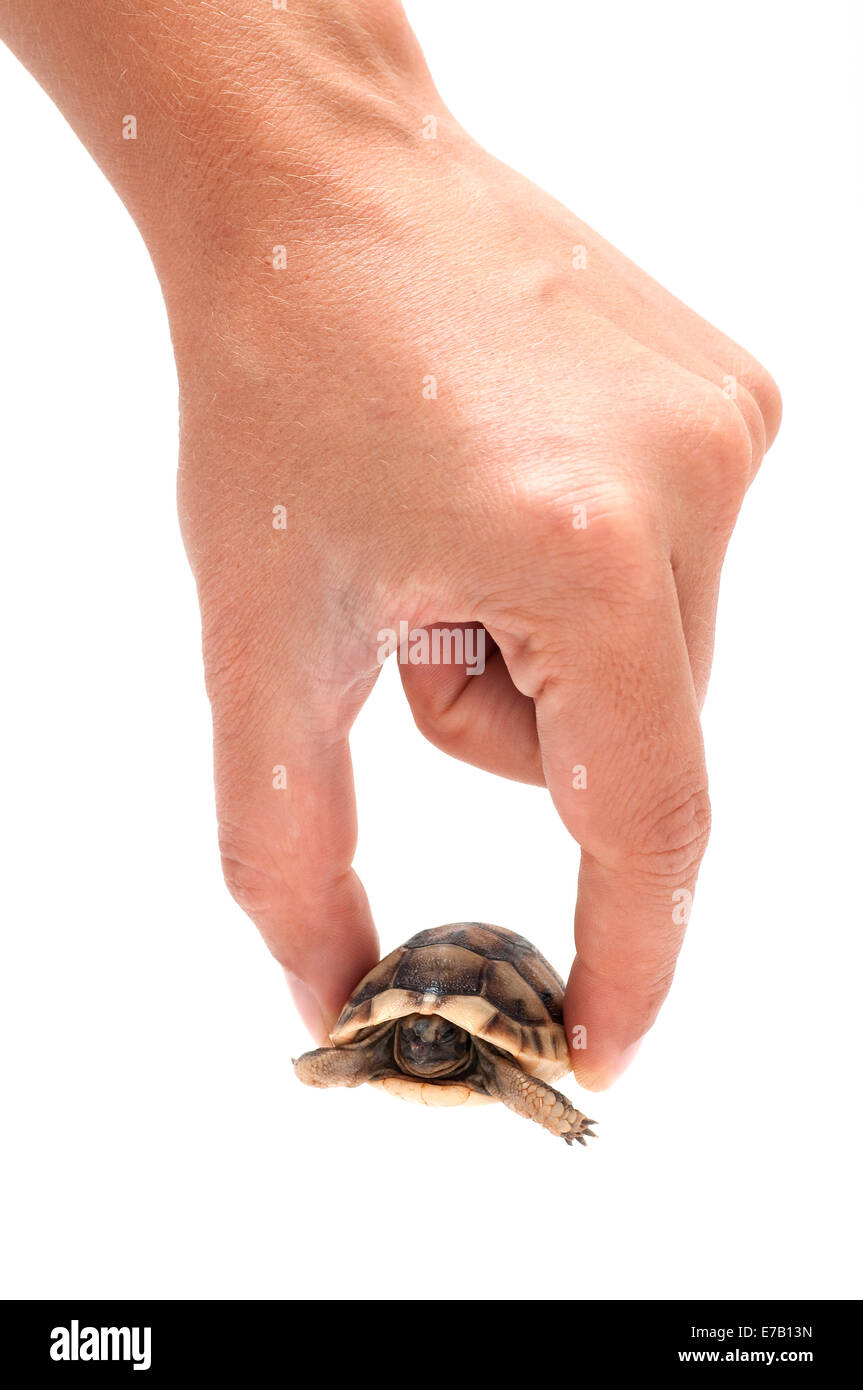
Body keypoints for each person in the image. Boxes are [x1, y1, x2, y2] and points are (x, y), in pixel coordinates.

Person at [0, 1, 781, 1092]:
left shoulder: (471, 1051)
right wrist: (314, 155)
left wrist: (322, 146)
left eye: (416, 1041)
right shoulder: (403, 1035)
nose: (421, 1045)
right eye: (415, 1039)